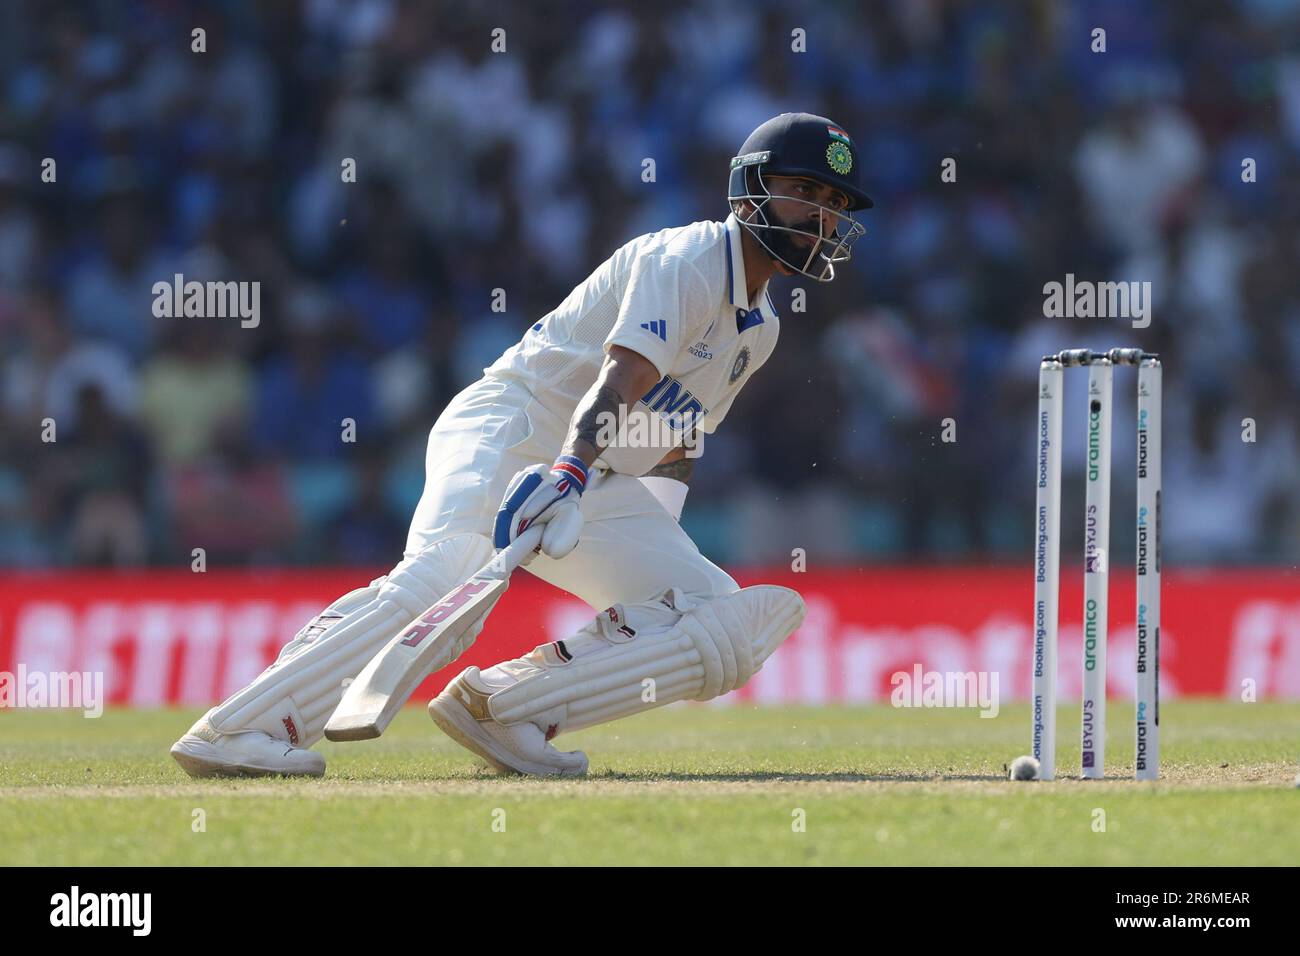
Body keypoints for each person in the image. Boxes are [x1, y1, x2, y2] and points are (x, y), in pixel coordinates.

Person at [170, 112, 873, 778]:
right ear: (751, 190)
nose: (820, 216)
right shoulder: (686, 260)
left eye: (832, 202)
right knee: (445, 576)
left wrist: (652, 552)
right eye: (804, 192)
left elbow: (674, 437)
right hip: (513, 427)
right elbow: (620, 379)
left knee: (717, 619)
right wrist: (565, 472)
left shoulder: (761, 329)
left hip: (594, 476)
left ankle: (506, 709)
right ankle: (242, 727)